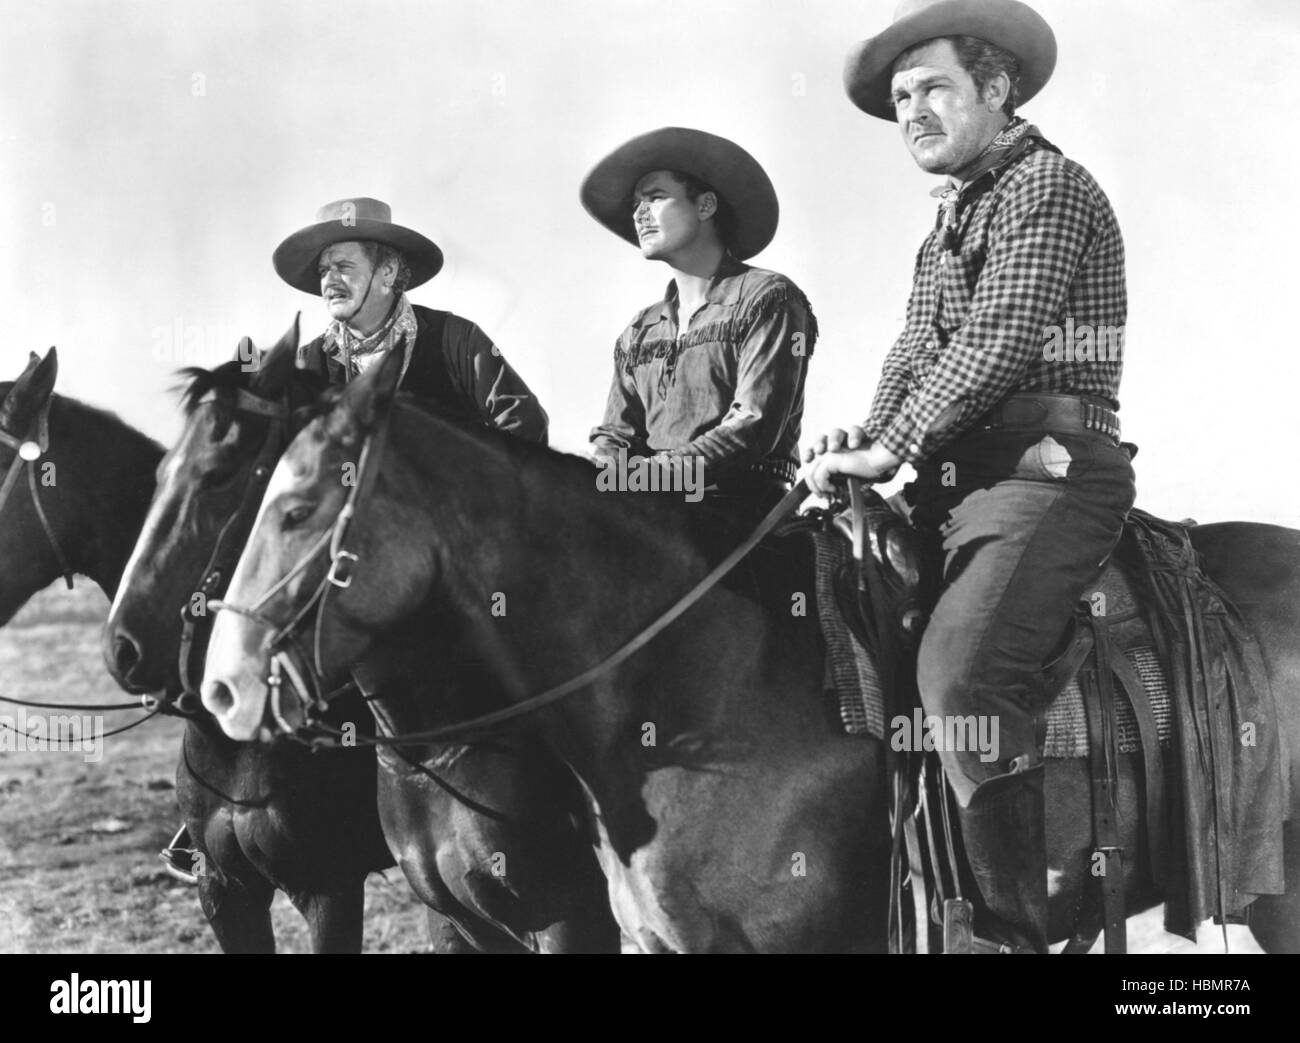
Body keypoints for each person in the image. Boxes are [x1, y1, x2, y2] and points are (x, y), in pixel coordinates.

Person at [806, 0, 1135, 952]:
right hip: (959, 482)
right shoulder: (951, 219)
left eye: (934, 88)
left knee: (958, 676)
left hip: (1050, 472)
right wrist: (859, 438)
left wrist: (890, 444)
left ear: (996, 90)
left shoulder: (1047, 189)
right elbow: (915, 355)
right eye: (901, 96)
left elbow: (996, 342)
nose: (912, 110)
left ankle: (1008, 931)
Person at [161, 197, 549, 882]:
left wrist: (445, 504)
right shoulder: (308, 364)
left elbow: (525, 429)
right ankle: (216, 815)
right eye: (321, 271)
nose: (327, 280)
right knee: (261, 636)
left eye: (342, 265)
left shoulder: (455, 342)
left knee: (527, 660)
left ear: (391, 271)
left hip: (446, 569)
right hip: (345, 569)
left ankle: (564, 804)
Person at [584, 128, 817, 529]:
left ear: (706, 205)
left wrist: (640, 478)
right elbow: (614, 437)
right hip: (652, 513)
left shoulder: (770, 296)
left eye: (655, 197)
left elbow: (752, 429)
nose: (639, 212)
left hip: (743, 514)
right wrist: (591, 480)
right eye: (635, 203)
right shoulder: (640, 330)